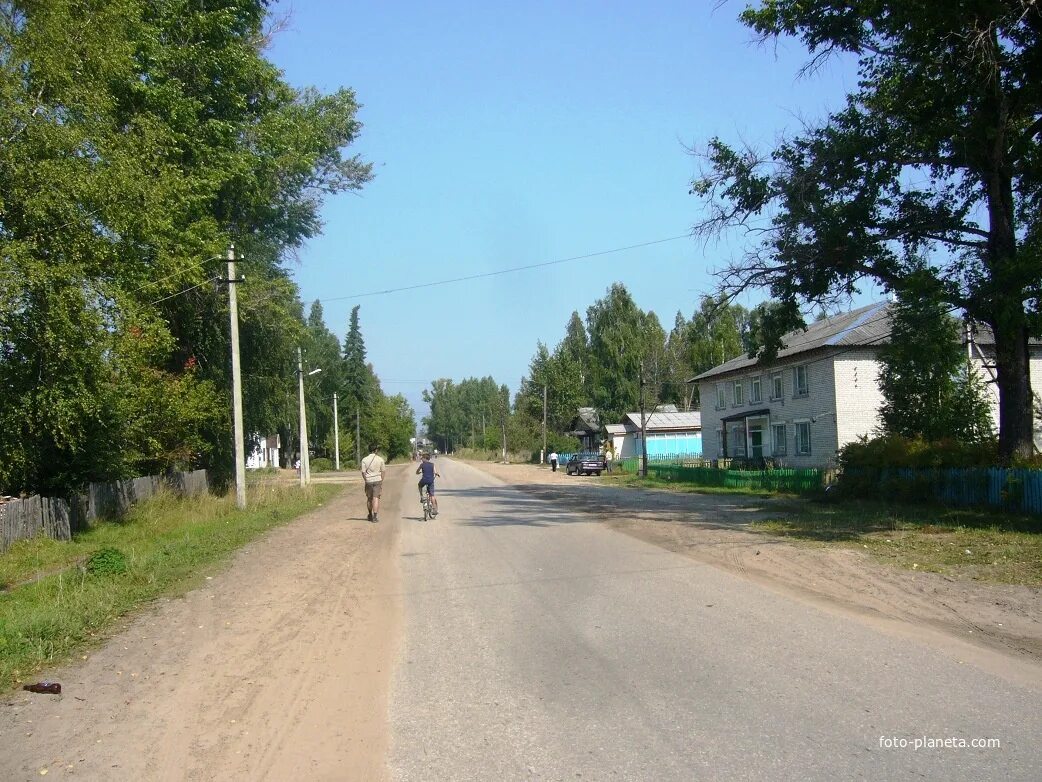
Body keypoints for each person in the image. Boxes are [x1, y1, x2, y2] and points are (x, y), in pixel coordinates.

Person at [360, 443, 386, 522]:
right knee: (376, 498)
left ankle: (370, 514)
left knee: (369, 498)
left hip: (368, 481)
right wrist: (381, 480)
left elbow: (363, 472)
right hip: (377, 480)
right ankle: (375, 517)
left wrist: (366, 480)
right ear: (376, 450)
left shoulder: (364, 460)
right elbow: (383, 471)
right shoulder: (380, 459)